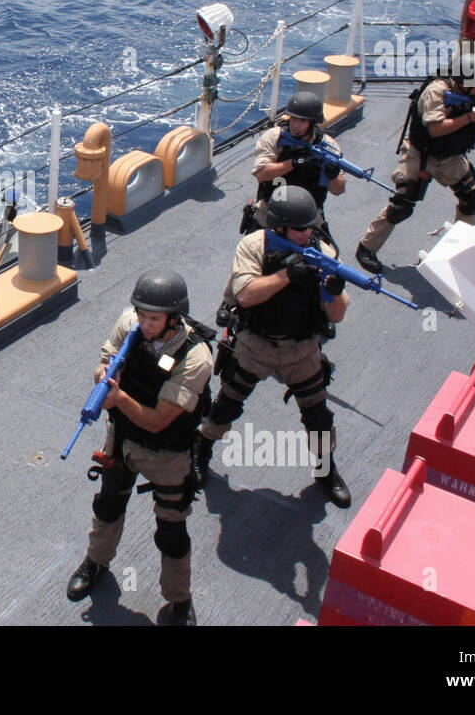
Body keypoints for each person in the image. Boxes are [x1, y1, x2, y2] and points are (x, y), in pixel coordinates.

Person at [65, 271, 213, 626]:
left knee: (171, 531)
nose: (144, 324)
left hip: (168, 452)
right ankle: (96, 561)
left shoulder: (196, 358)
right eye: (142, 315)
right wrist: (103, 376)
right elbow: (107, 358)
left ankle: (179, 600)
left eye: (154, 319)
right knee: (108, 504)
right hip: (121, 439)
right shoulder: (130, 322)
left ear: (174, 318)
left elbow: (159, 419)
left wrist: (117, 397)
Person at [193, 187, 352, 508]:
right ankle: (201, 449)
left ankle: (325, 470)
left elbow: (337, 315)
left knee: (318, 417)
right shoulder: (255, 246)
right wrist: (289, 275)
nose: (307, 233)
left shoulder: (323, 251)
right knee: (227, 405)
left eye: (310, 226)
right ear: (279, 227)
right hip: (256, 345)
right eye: (299, 228)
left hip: (302, 349)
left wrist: (333, 290)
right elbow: (246, 295)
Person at [355, 53, 475, 274]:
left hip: (451, 156)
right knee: (402, 205)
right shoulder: (436, 92)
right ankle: (366, 247)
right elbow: (435, 129)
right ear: (463, 83)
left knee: (472, 198)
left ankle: (464, 252)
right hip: (420, 154)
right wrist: (471, 117)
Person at [247, 91, 346, 235]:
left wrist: (332, 175)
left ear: (312, 123)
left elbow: (338, 190)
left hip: (308, 218)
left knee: (326, 255)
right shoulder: (275, 137)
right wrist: (295, 163)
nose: (295, 125)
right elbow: (261, 174)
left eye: (302, 121)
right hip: (270, 212)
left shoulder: (328, 147)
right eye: (293, 119)